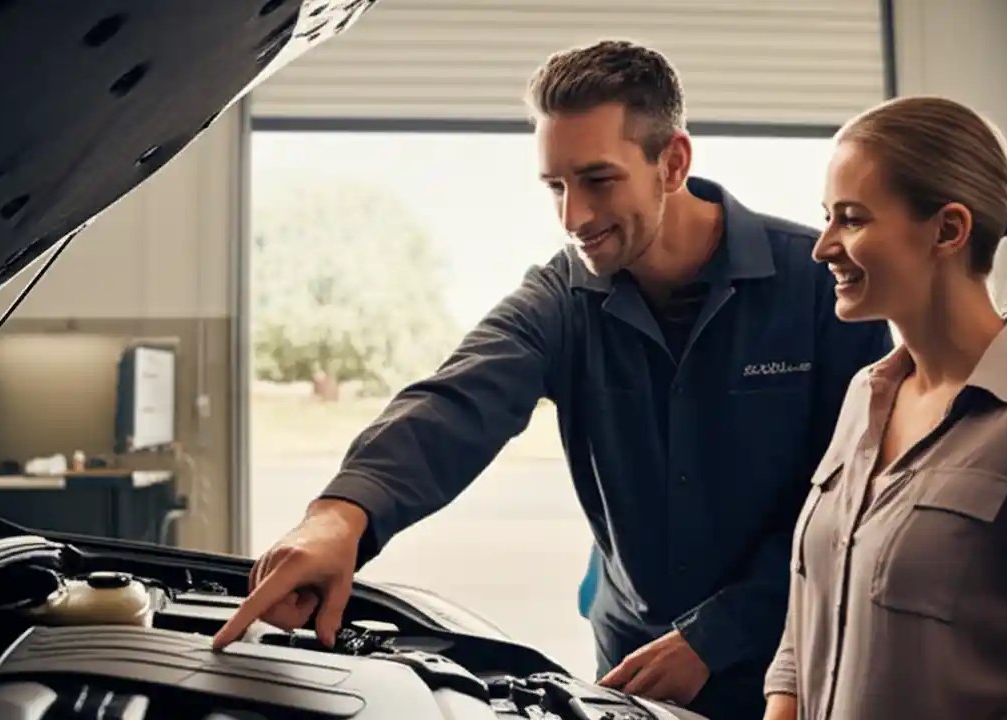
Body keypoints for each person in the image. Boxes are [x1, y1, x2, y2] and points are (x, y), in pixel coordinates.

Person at [214, 40, 892, 718]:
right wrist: (341, 517)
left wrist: (717, 636)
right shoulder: (564, 296)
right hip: (631, 666)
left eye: (598, 180)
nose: (574, 219)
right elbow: (456, 399)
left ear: (673, 162)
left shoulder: (817, 289)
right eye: (556, 187)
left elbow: (851, 510)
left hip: (788, 662)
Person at [762, 95, 1007, 720]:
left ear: (948, 230)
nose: (822, 246)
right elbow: (809, 618)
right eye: (827, 218)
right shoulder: (865, 397)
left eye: (851, 220)